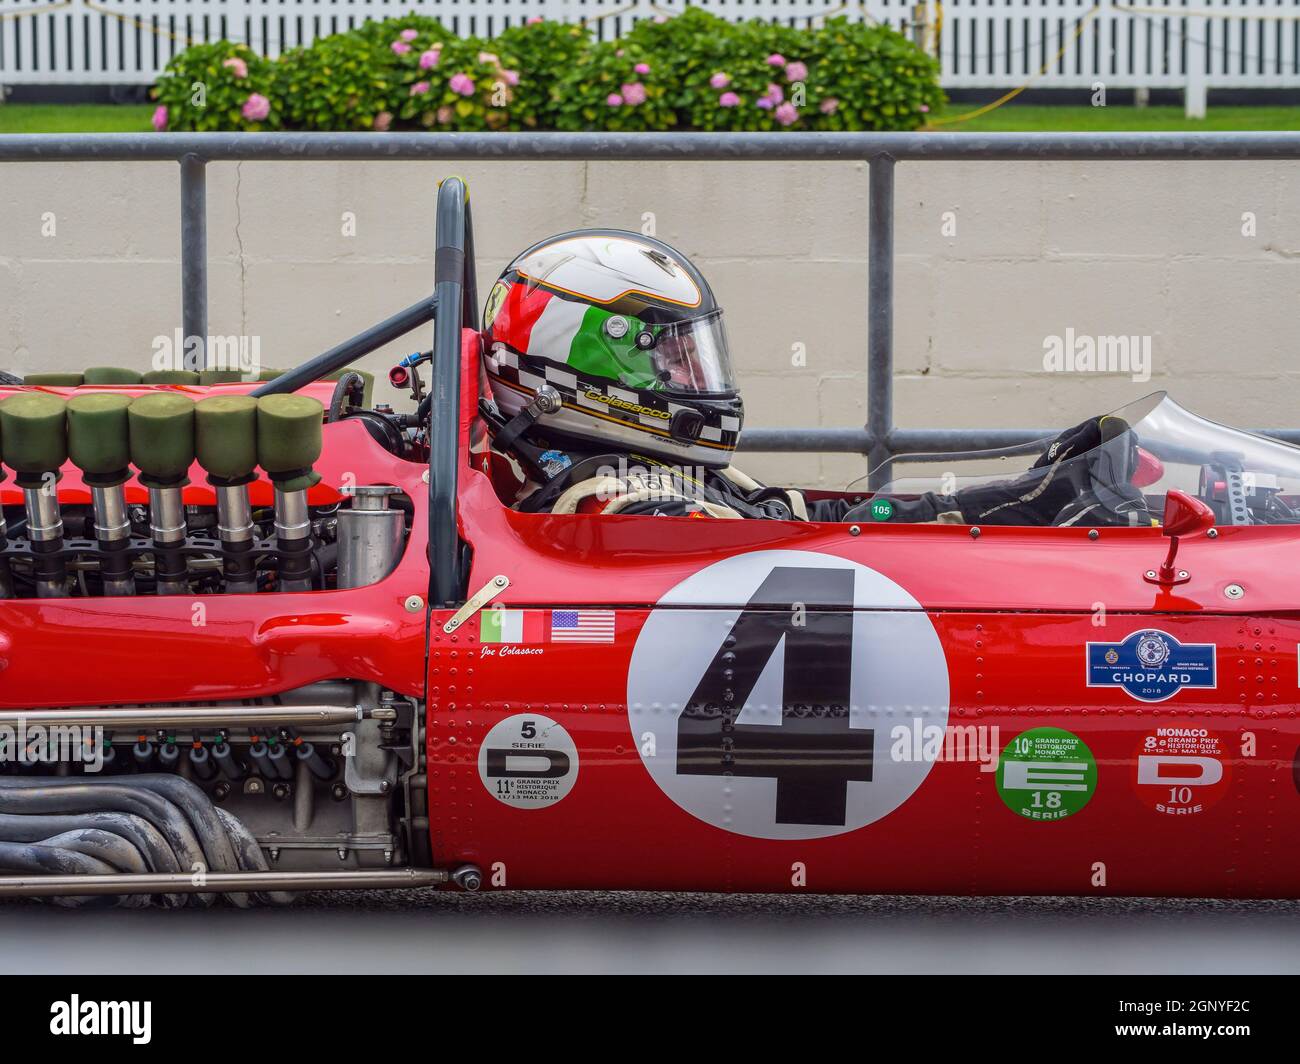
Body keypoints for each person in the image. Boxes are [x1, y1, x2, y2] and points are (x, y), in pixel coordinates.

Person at [476, 229, 1151, 527]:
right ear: (588, 368)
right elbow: (785, 558)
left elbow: (813, 518)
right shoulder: (615, 501)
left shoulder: (645, 470)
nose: (693, 379)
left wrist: (1029, 496)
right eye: (675, 360)